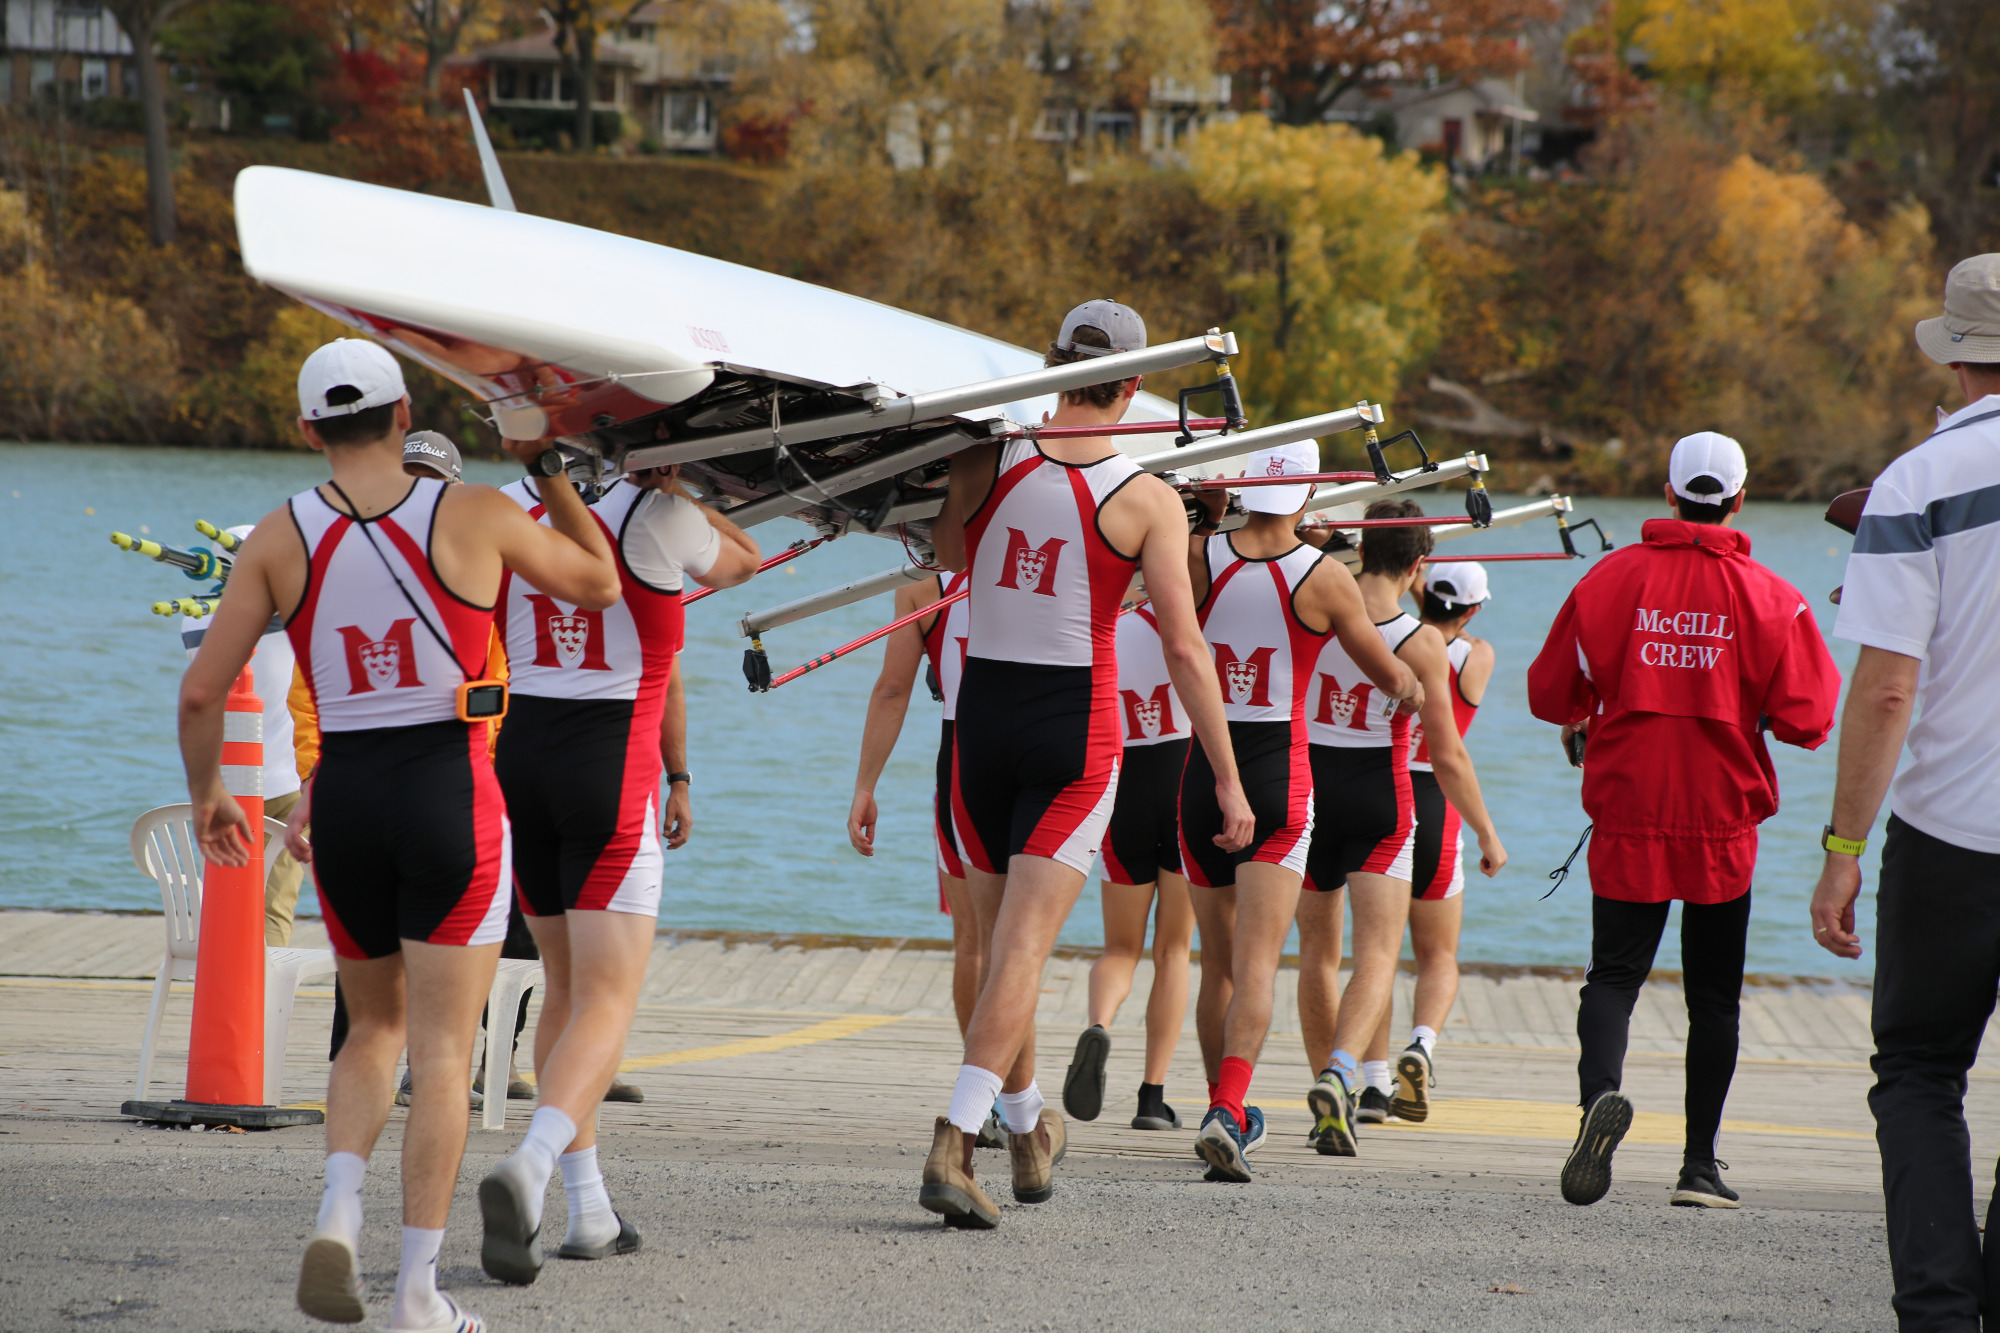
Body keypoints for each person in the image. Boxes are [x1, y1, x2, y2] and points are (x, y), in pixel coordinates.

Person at [182, 338, 619, 1333]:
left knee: (370, 1026)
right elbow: (599, 584)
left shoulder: (279, 538)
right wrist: (546, 468)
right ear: (401, 408)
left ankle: (339, 1208)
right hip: (449, 792)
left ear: (307, 431)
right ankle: (419, 1293)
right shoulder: (472, 511)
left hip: (345, 800)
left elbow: (204, 688)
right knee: (442, 1045)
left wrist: (211, 791)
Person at [919, 299, 1253, 1228]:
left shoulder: (987, 455)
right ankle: (954, 1137)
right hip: (1076, 728)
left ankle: (1026, 1128)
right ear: (1136, 387)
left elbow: (949, 556)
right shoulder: (1146, 497)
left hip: (979, 718)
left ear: (1052, 361)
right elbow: (1185, 649)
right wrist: (1225, 774)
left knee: (998, 956)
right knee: (1023, 951)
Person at [1528, 431, 1839, 1210]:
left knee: (1613, 975)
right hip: (1722, 819)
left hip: (1630, 805)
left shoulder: (1609, 579)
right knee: (1715, 998)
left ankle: (1598, 1100)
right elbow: (1812, 718)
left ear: (1668, 495)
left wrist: (1587, 711)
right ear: (1738, 499)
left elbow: (1547, 690)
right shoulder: (1774, 597)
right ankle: (1699, 1166)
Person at [479, 460, 757, 1285]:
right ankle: (529, 1165)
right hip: (610, 761)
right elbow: (743, 560)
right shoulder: (657, 512)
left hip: (521, 754)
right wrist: (688, 489)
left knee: (564, 988)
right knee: (608, 1000)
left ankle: (589, 1209)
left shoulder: (506, 507)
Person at [1809, 254, 2000, 1327]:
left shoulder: (1915, 480)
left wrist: (1841, 852)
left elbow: (1884, 691)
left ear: (1956, 357)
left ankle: (1935, 1310)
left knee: (1920, 1072)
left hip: (1948, 838)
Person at [1182, 447, 1422, 1183]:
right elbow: (1395, 677)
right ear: (1311, 489)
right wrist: (1408, 684)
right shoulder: (1324, 580)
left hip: (1202, 770)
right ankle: (1231, 1106)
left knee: (1216, 963)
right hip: (1276, 774)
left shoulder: (1198, 554)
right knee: (1259, 961)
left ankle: (1220, 1106)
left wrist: (1209, 518)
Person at [1297, 501, 1504, 1156]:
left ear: (1360, 545)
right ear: (1420, 566)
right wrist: (1488, 834)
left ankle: (1328, 1092)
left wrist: (1325, 539)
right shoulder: (1421, 643)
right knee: (1379, 951)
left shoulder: (1311, 610)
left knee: (1317, 955)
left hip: (1309, 787)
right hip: (1380, 796)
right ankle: (1341, 1071)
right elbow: (1446, 755)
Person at [846, 570, 1007, 1145]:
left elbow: (894, 689)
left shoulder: (924, 586)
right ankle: (1016, 1098)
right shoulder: (1052, 548)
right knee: (1024, 941)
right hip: (1046, 751)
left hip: (964, 755)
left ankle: (984, 1100)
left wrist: (865, 786)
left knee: (975, 941)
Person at [1061, 579, 1196, 1132]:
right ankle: (1151, 1097)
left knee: (1120, 946)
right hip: (1186, 781)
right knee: (1174, 950)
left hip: (1124, 787)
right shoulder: (1190, 625)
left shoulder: (1103, 631)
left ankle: (1099, 1023)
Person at [1372, 560, 1495, 1124]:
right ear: (1472, 609)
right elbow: (1457, 627)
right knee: (1438, 955)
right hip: (1439, 805)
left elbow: (1419, 608)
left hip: (1388, 790)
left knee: (1377, 955)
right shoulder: (1477, 656)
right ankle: (1420, 1046)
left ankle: (1372, 1084)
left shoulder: (1388, 643)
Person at [178, 524, 306, 946]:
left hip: (224, 783)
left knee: (230, 901)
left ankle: (225, 992)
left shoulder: (192, 620)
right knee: (273, 908)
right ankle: (261, 1007)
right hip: (287, 780)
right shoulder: (290, 616)